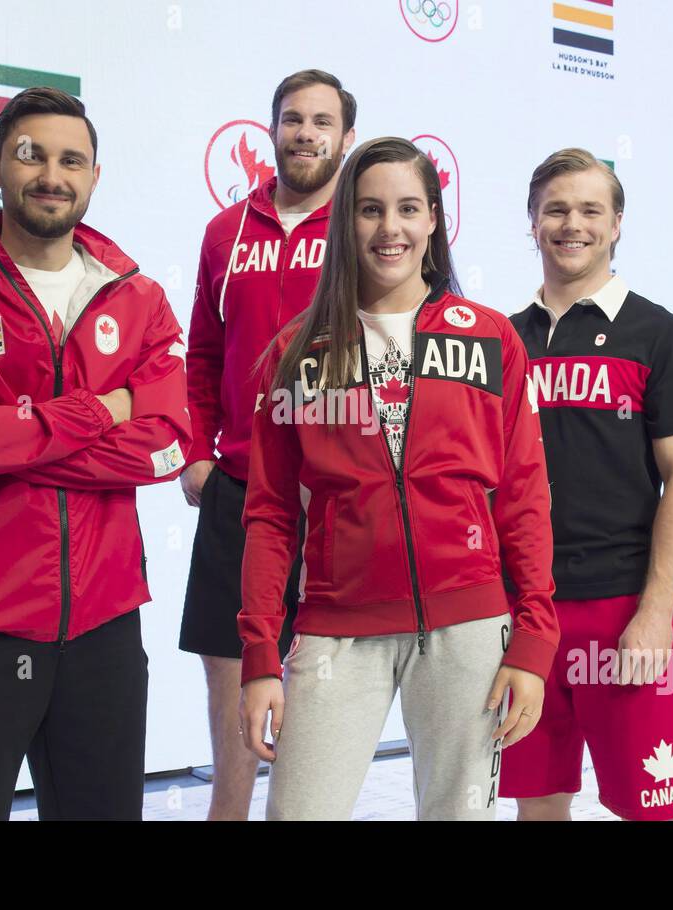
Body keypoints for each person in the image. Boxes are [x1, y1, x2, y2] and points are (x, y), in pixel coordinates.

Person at [0, 86, 190, 820]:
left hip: (104, 629)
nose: (52, 174)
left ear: (94, 176)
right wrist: (105, 409)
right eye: (31, 155)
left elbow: (169, 444)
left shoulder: (139, 296)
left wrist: (11, 437)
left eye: (70, 160)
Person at [238, 137, 560, 820]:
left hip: (469, 625)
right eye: (370, 210)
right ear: (344, 222)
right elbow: (270, 514)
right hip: (337, 627)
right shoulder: (294, 353)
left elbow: (525, 497)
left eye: (409, 208)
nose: (391, 229)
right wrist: (262, 652)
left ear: (435, 220)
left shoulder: (490, 339)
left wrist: (533, 641)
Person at [501, 149, 673, 821]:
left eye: (592, 210)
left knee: (647, 809)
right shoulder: (500, 342)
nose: (573, 224)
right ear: (532, 223)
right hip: (523, 615)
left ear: (617, 224)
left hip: (623, 611)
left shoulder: (662, 336)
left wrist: (655, 612)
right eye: (556, 209)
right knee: (538, 805)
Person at [179, 69, 356, 819]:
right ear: (272, 130)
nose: (306, 133)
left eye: (322, 121)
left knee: (321, 693)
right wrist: (194, 454)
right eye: (292, 119)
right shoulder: (227, 231)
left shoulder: (364, 232)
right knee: (233, 691)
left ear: (347, 137)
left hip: (336, 496)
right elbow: (203, 356)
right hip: (241, 491)